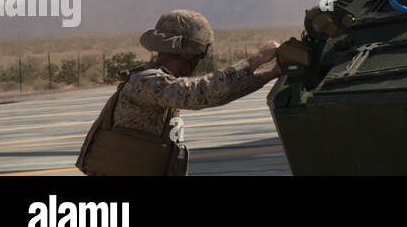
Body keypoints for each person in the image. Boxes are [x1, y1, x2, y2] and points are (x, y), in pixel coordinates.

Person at [76, 10, 280, 175]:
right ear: (184, 51)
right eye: (197, 53)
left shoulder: (159, 81)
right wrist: (257, 59)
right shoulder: (147, 81)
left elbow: (215, 94)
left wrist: (270, 74)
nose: (199, 59)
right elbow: (202, 93)